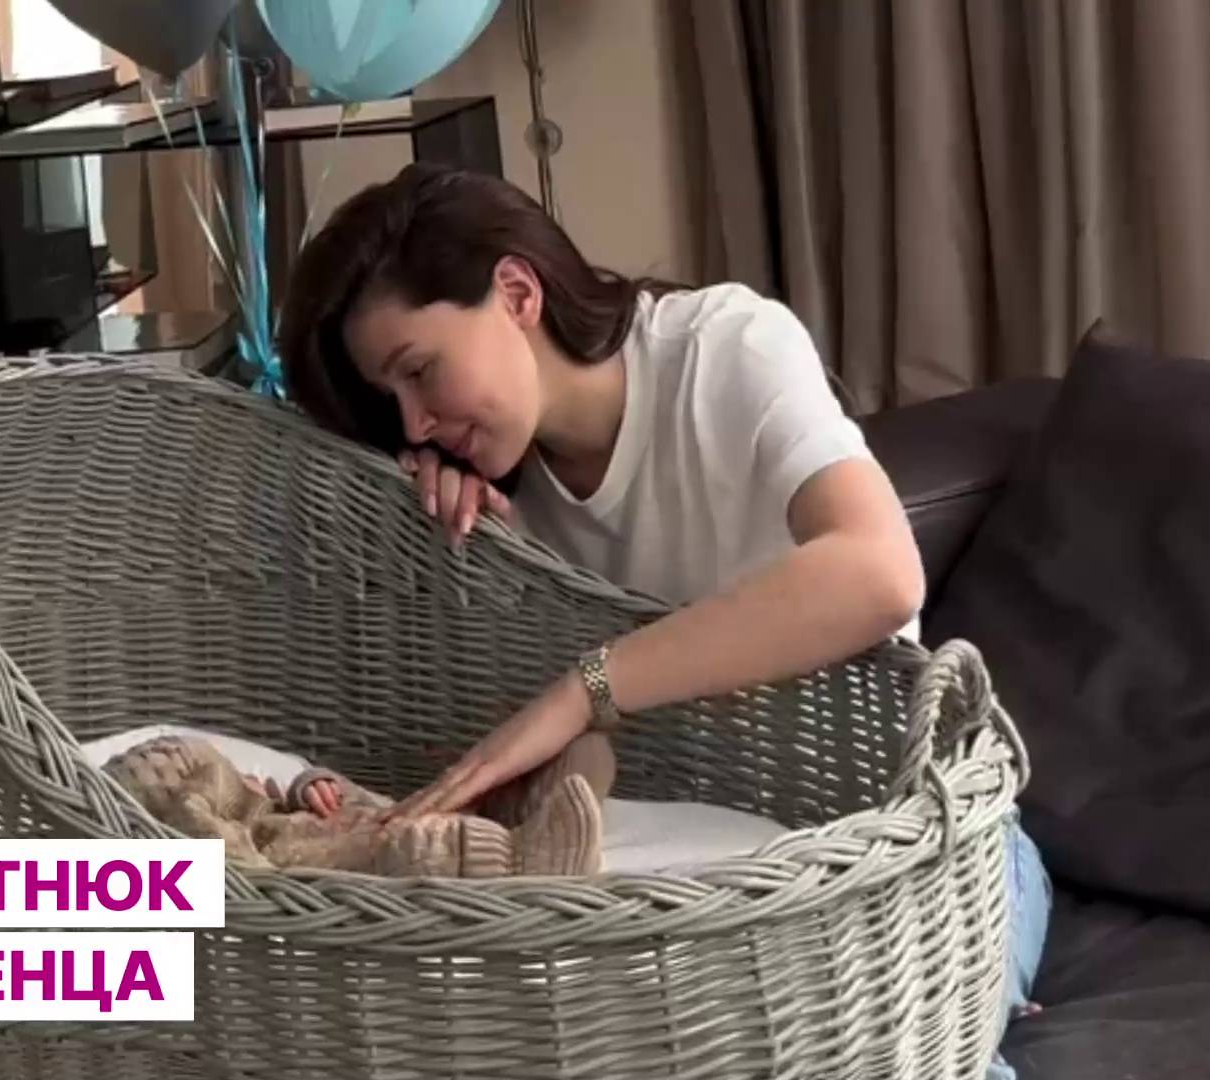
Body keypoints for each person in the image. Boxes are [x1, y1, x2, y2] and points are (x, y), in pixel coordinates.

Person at [276, 162, 1049, 1078]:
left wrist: (588, 686)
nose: (415, 420)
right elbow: (572, 778)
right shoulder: (510, 499)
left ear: (516, 293)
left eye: (420, 372)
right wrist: (461, 551)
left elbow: (879, 573)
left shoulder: (726, 350)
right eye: (392, 401)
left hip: (918, 851)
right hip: (725, 889)